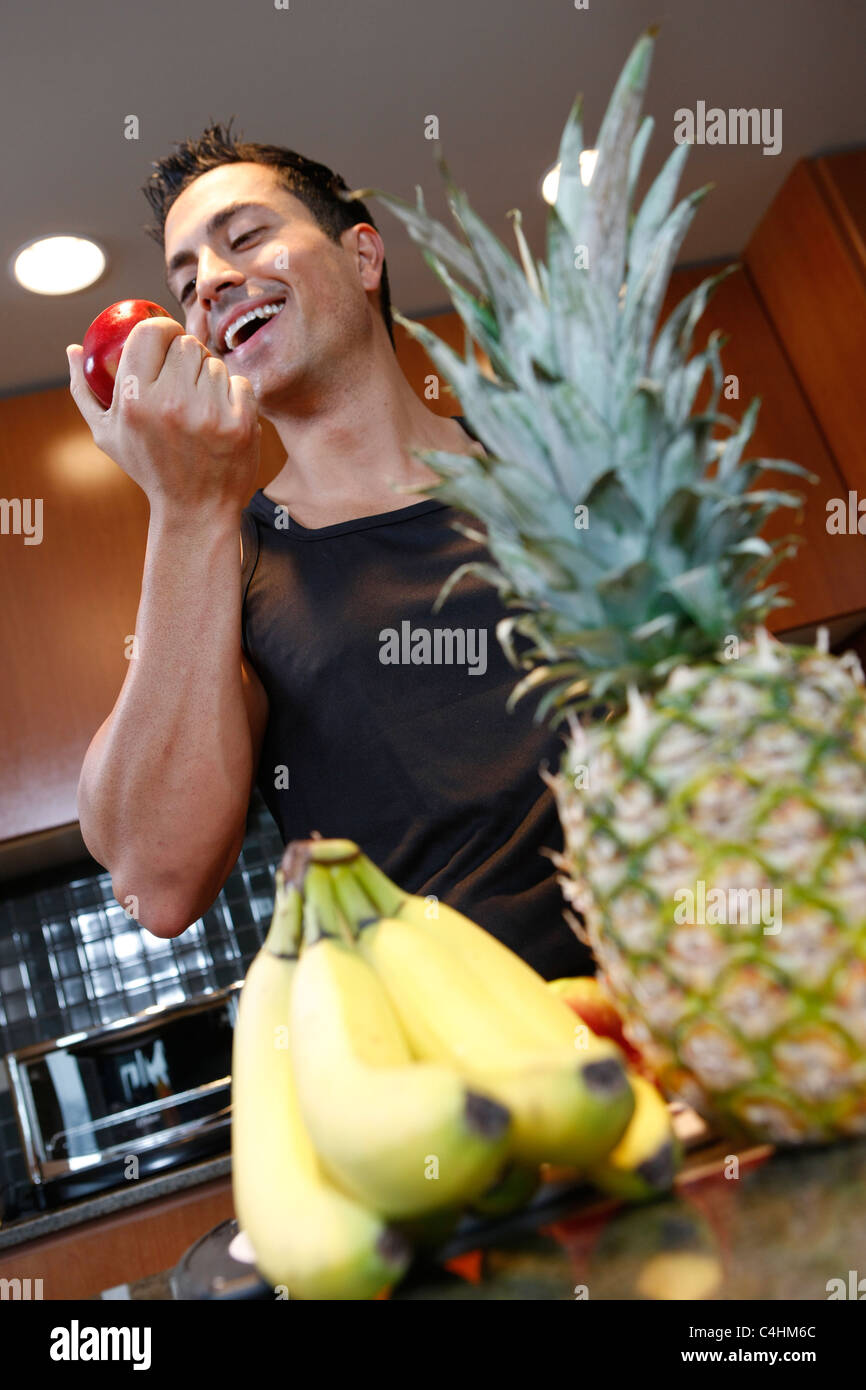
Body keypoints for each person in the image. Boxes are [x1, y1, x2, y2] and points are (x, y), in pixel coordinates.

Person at [66, 122, 592, 979]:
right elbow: (155, 881)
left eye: (246, 238)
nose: (214, 285)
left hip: (700, 1004)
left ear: (363, 257)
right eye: (187, 280)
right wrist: (186, 509)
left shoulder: (550, 463)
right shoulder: (230, 561)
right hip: (459, 1069)